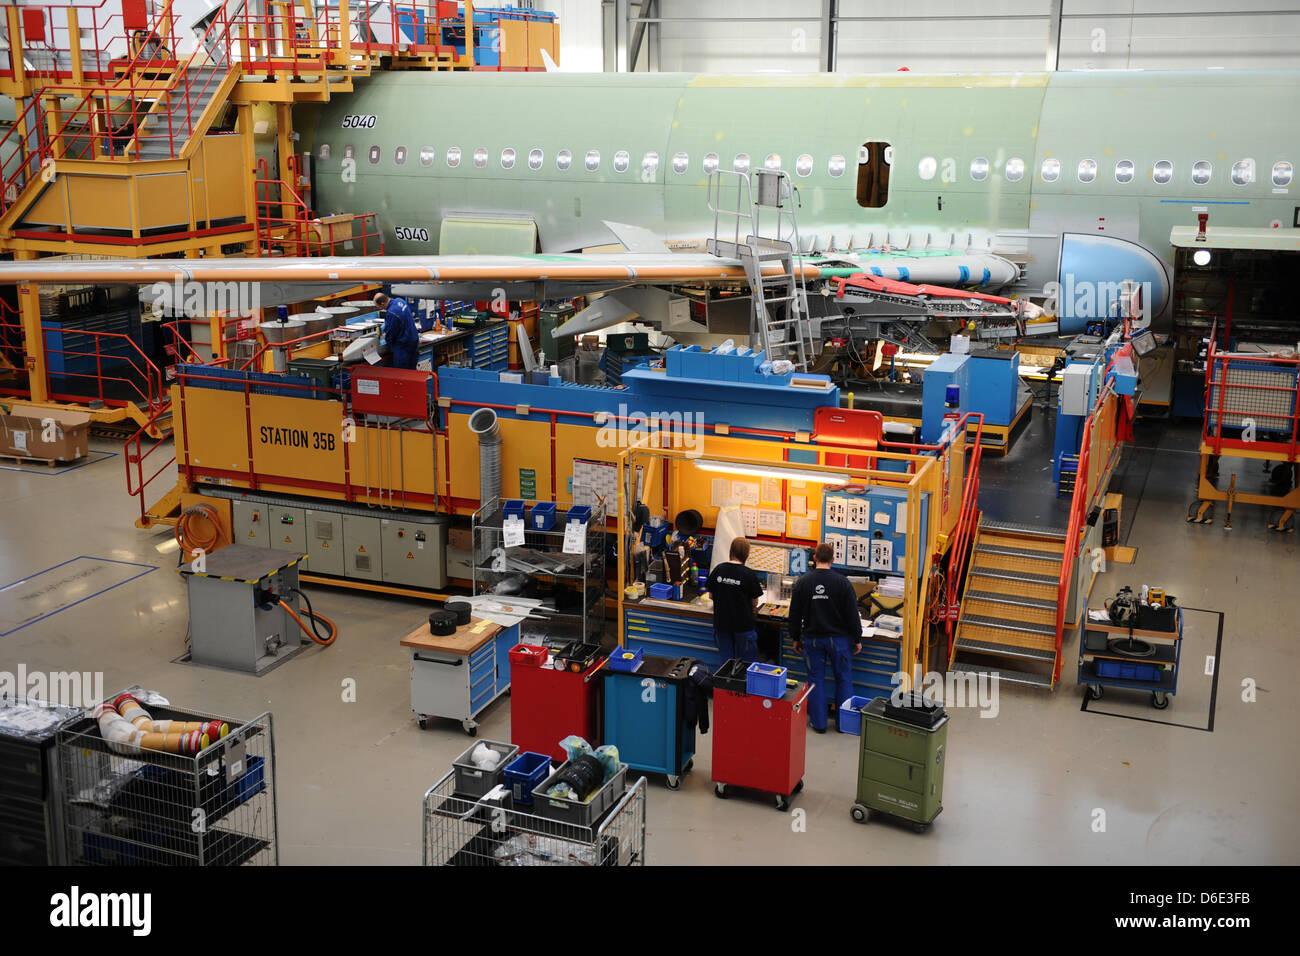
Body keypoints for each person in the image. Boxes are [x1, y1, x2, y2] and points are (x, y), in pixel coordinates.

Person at [789, 542, 862, 733]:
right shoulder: (843, 583)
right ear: (833, 559)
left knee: (815, 680)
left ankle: (819, 724)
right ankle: (844, 724)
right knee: (844, 679)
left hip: (813, 640)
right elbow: (852, 615)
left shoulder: (803, 582)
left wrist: (795, 637)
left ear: (814, 558)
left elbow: (794, 614)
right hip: (839, 640)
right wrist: (857, 638)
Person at [706, 537, 764, 664]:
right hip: (743, 626)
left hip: (722, 624)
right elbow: (755, 602)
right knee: (747, 666)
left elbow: (710, 595)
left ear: (731, 551)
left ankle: (726, 684)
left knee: (725, 665)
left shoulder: (719, 569)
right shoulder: (749, 574)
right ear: (746, 554)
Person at [374, 292, 419, 370]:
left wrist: (386, 341)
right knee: (412, 372)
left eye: (379, 307)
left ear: (382, 303)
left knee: (401, 373)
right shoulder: (399, 301)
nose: (381, 309)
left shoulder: (391, 313)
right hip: (413, 340)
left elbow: (391, 333)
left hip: (403, 346)